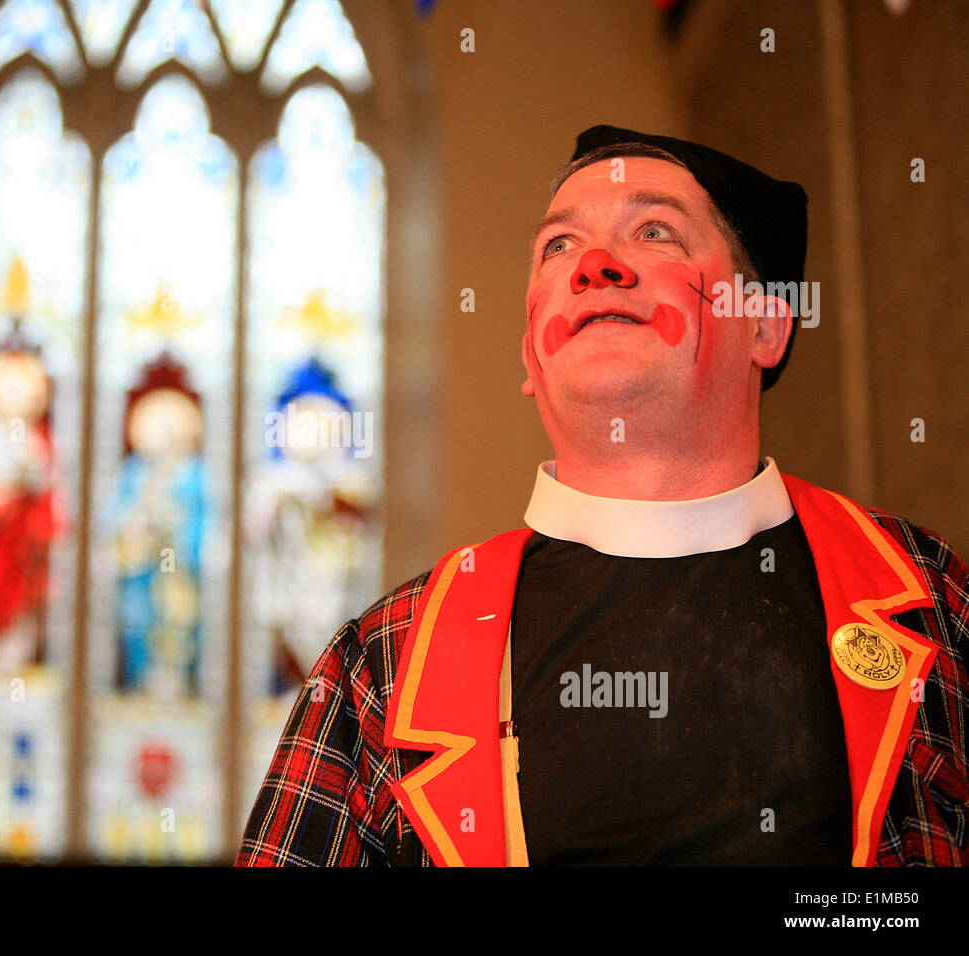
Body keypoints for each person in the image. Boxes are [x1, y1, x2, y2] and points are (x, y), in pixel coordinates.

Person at [235, 125, 969, 867]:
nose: (594, 265)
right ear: (531, 354)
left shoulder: (927, 592)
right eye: (559, 245)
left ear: (767, 324)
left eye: (656, 232)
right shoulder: (384, 662)